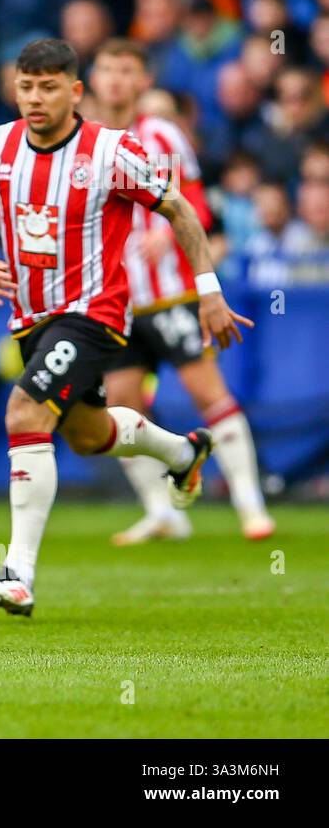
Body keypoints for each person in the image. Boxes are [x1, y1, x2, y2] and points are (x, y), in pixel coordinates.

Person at [0, 38, 253, 617]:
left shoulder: (114, 151)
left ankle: (18, 573)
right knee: (88, 436)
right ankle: (182, 453)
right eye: (26, 86)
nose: (35, 99)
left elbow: (180, 208)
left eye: (48, 87)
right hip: (31, 318)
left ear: (75, 91)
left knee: (24, 412)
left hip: (95, 313)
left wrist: (208, 291)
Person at [88, 38, 275, 543]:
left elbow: (194, 201)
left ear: (143, 81)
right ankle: (163, 511)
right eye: (107, 68)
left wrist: (162, 232)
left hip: (169, 292)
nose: (116, 80)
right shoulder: (84, 140)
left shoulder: (161, 133)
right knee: (121, 406)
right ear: (93, 78)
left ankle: (250, 506)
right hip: (114, 302)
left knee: (206, 391)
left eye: (127, 70)